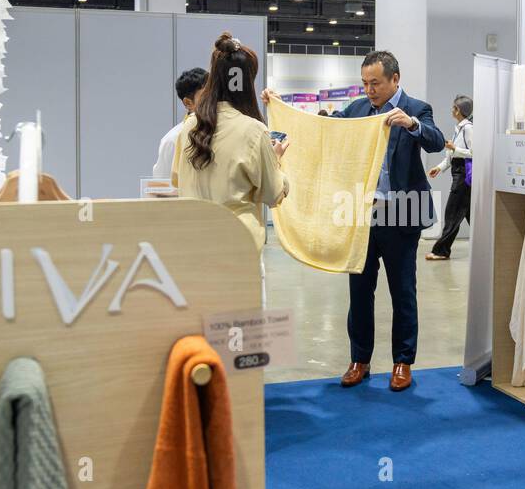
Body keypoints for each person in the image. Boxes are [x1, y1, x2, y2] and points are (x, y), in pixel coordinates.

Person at [263, 49, 443, 392]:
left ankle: (403, 362)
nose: (369, 90)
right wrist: (281, 105)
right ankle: (359, 359)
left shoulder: (417, 109)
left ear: (395, 79)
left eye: (375, 83)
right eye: (364, 83)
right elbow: (325, 128)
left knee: (403, 290)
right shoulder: (358, 110)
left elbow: (435, 141)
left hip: (402, 210)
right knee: (359, 292)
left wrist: (412, 124)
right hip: (360, 212)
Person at [173, 33, 289, 263]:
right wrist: (276, 161)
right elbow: (273, 194)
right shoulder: (254, 131)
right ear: (248, 82)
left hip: (192, 245)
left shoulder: (189, 126)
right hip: (238, 248)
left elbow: (176, 179)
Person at [425, 94, 474, 261]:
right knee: (467, 214)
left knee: (452, 213)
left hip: (463, 175)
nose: (451, 110)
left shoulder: (468, 128)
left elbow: (475, 152)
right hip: (458, 171)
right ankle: (488, 245)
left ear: (459, 110)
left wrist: (455, 149)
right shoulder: (459, 128)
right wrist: (439, 167)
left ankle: (441, 250)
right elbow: (452, 154)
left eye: (454, 107)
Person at [152, 67, 207, 181]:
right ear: (188, 103)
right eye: (206, 96)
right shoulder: (173, 140)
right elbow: (162, 189)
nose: (215, 101)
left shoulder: (226, 131)